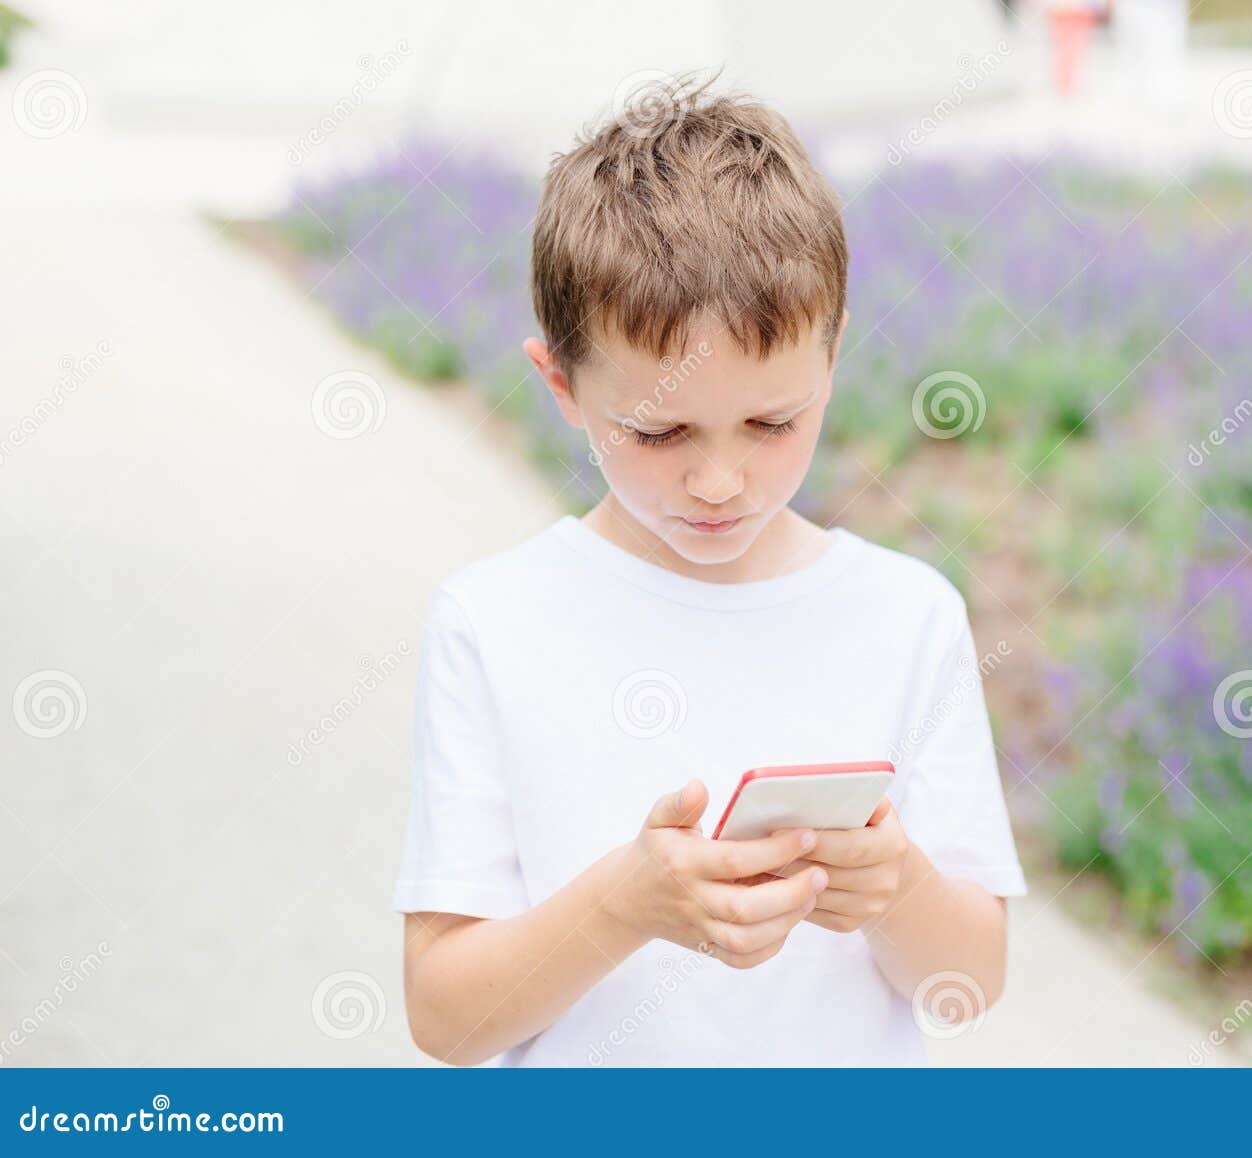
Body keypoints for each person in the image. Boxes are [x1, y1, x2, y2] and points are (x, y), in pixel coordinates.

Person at [393, 73, 1027, 1066]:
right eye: (658, 429)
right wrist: (623, 904)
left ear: (831, 359)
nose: (721, 480)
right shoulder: (495, 622)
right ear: (558, 383)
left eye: (773, 422)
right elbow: (445, 1019)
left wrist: (893, 884)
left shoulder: (907, 618)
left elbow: (969, 984)